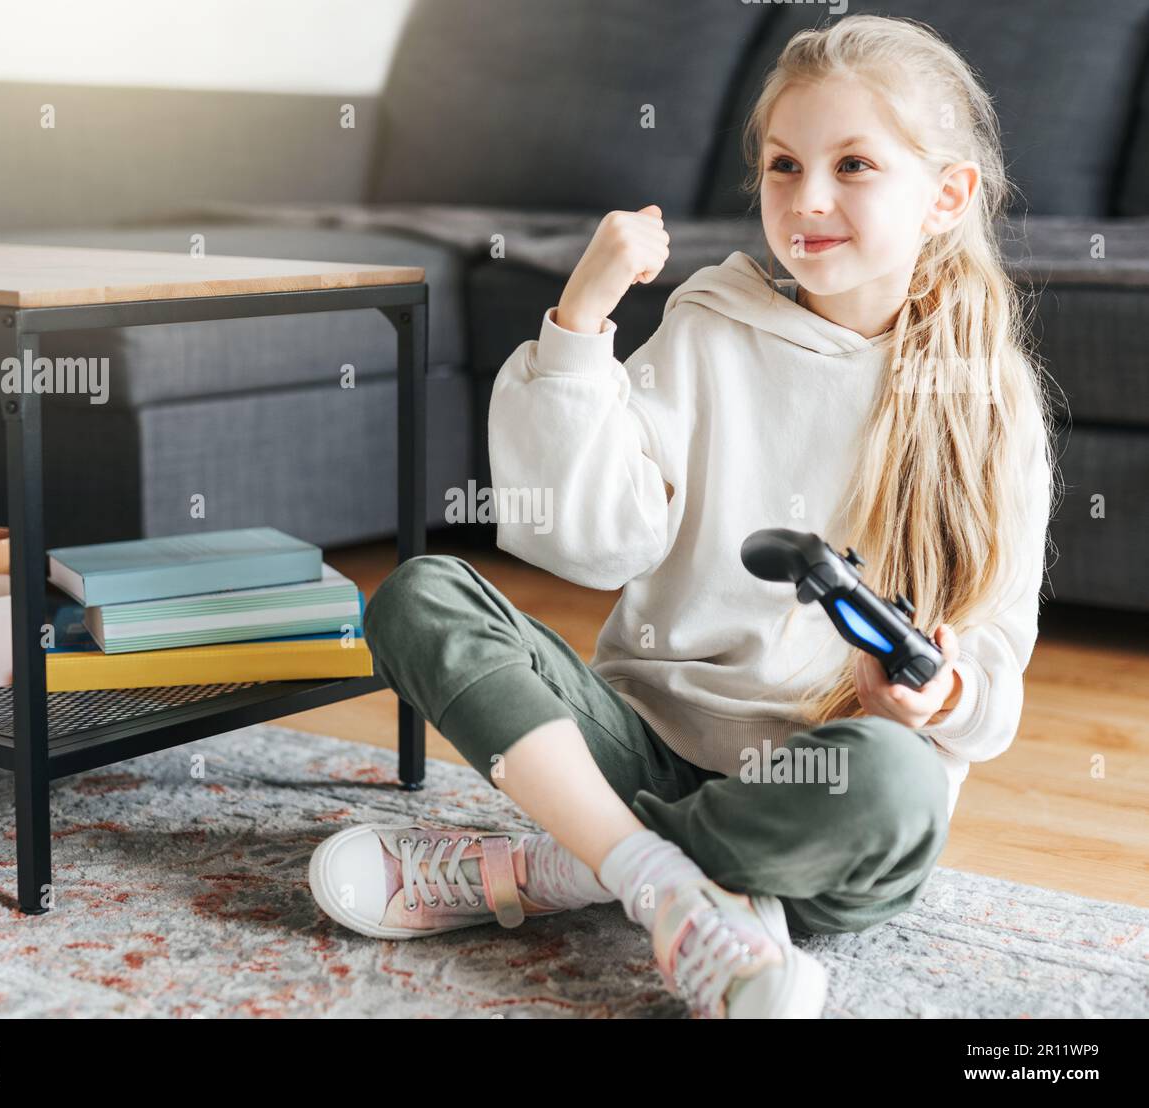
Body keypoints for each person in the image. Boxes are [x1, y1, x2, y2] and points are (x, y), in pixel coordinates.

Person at [308, 14, 1059, 1019]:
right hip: (645, 743)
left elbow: (994, 679)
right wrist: (580, 319)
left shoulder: (987, 401)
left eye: (853, 165)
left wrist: (941, 697)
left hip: (819, 801)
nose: (809, 199)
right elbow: (593, 538)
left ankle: (566, 866)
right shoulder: (713, 320)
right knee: (418, 594)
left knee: (900, 783)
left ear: (946, 195)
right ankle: (675, 887)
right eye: (785, 166)